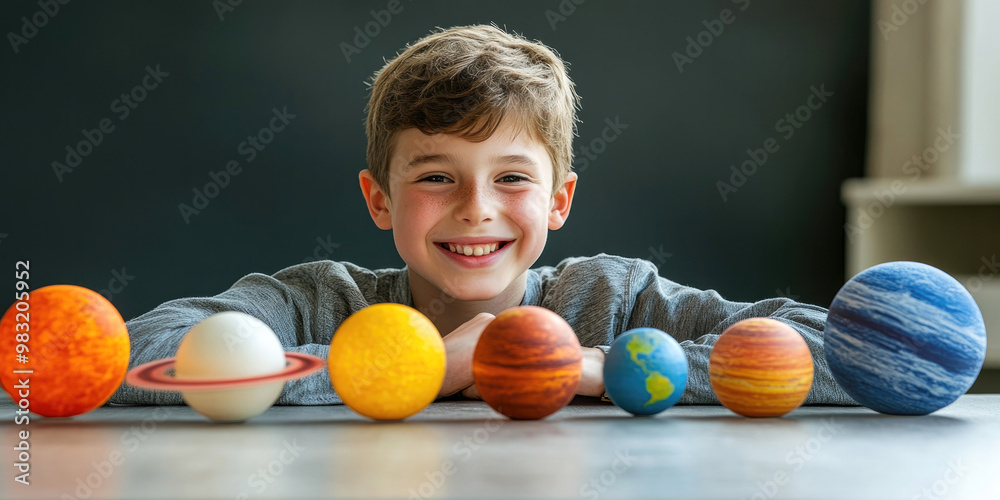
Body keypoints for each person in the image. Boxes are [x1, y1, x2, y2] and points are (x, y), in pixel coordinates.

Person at [109, 24, 853, 407]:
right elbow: (138, 356)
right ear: (379, 199)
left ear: (559, 201)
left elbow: (840, 348)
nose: (476, 209)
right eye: (437, 176)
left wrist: (602, 367)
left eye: (511, 178)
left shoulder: (612, 302)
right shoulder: (317, 303)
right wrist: (418, 370)